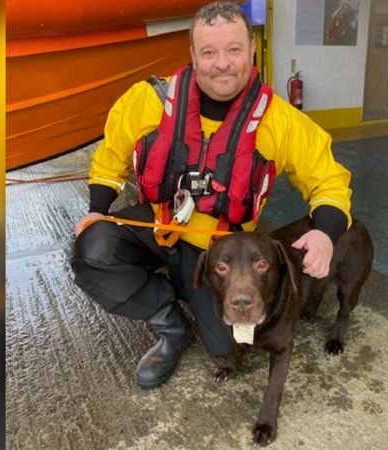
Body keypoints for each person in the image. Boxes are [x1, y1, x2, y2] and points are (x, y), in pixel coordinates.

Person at [71, 1, 352, 389]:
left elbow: (330, 181)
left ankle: (190, 284)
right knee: (93, 246)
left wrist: (326, 232)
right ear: (192, 55)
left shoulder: (282, 122)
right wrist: (97, 210)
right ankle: (169, 321)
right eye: (209, 52)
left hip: (221, 250)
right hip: (157, 226)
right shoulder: (145, 101)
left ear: (251, 50)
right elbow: (108, 162)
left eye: (234, 49)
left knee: (226, 345)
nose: (222, 63)